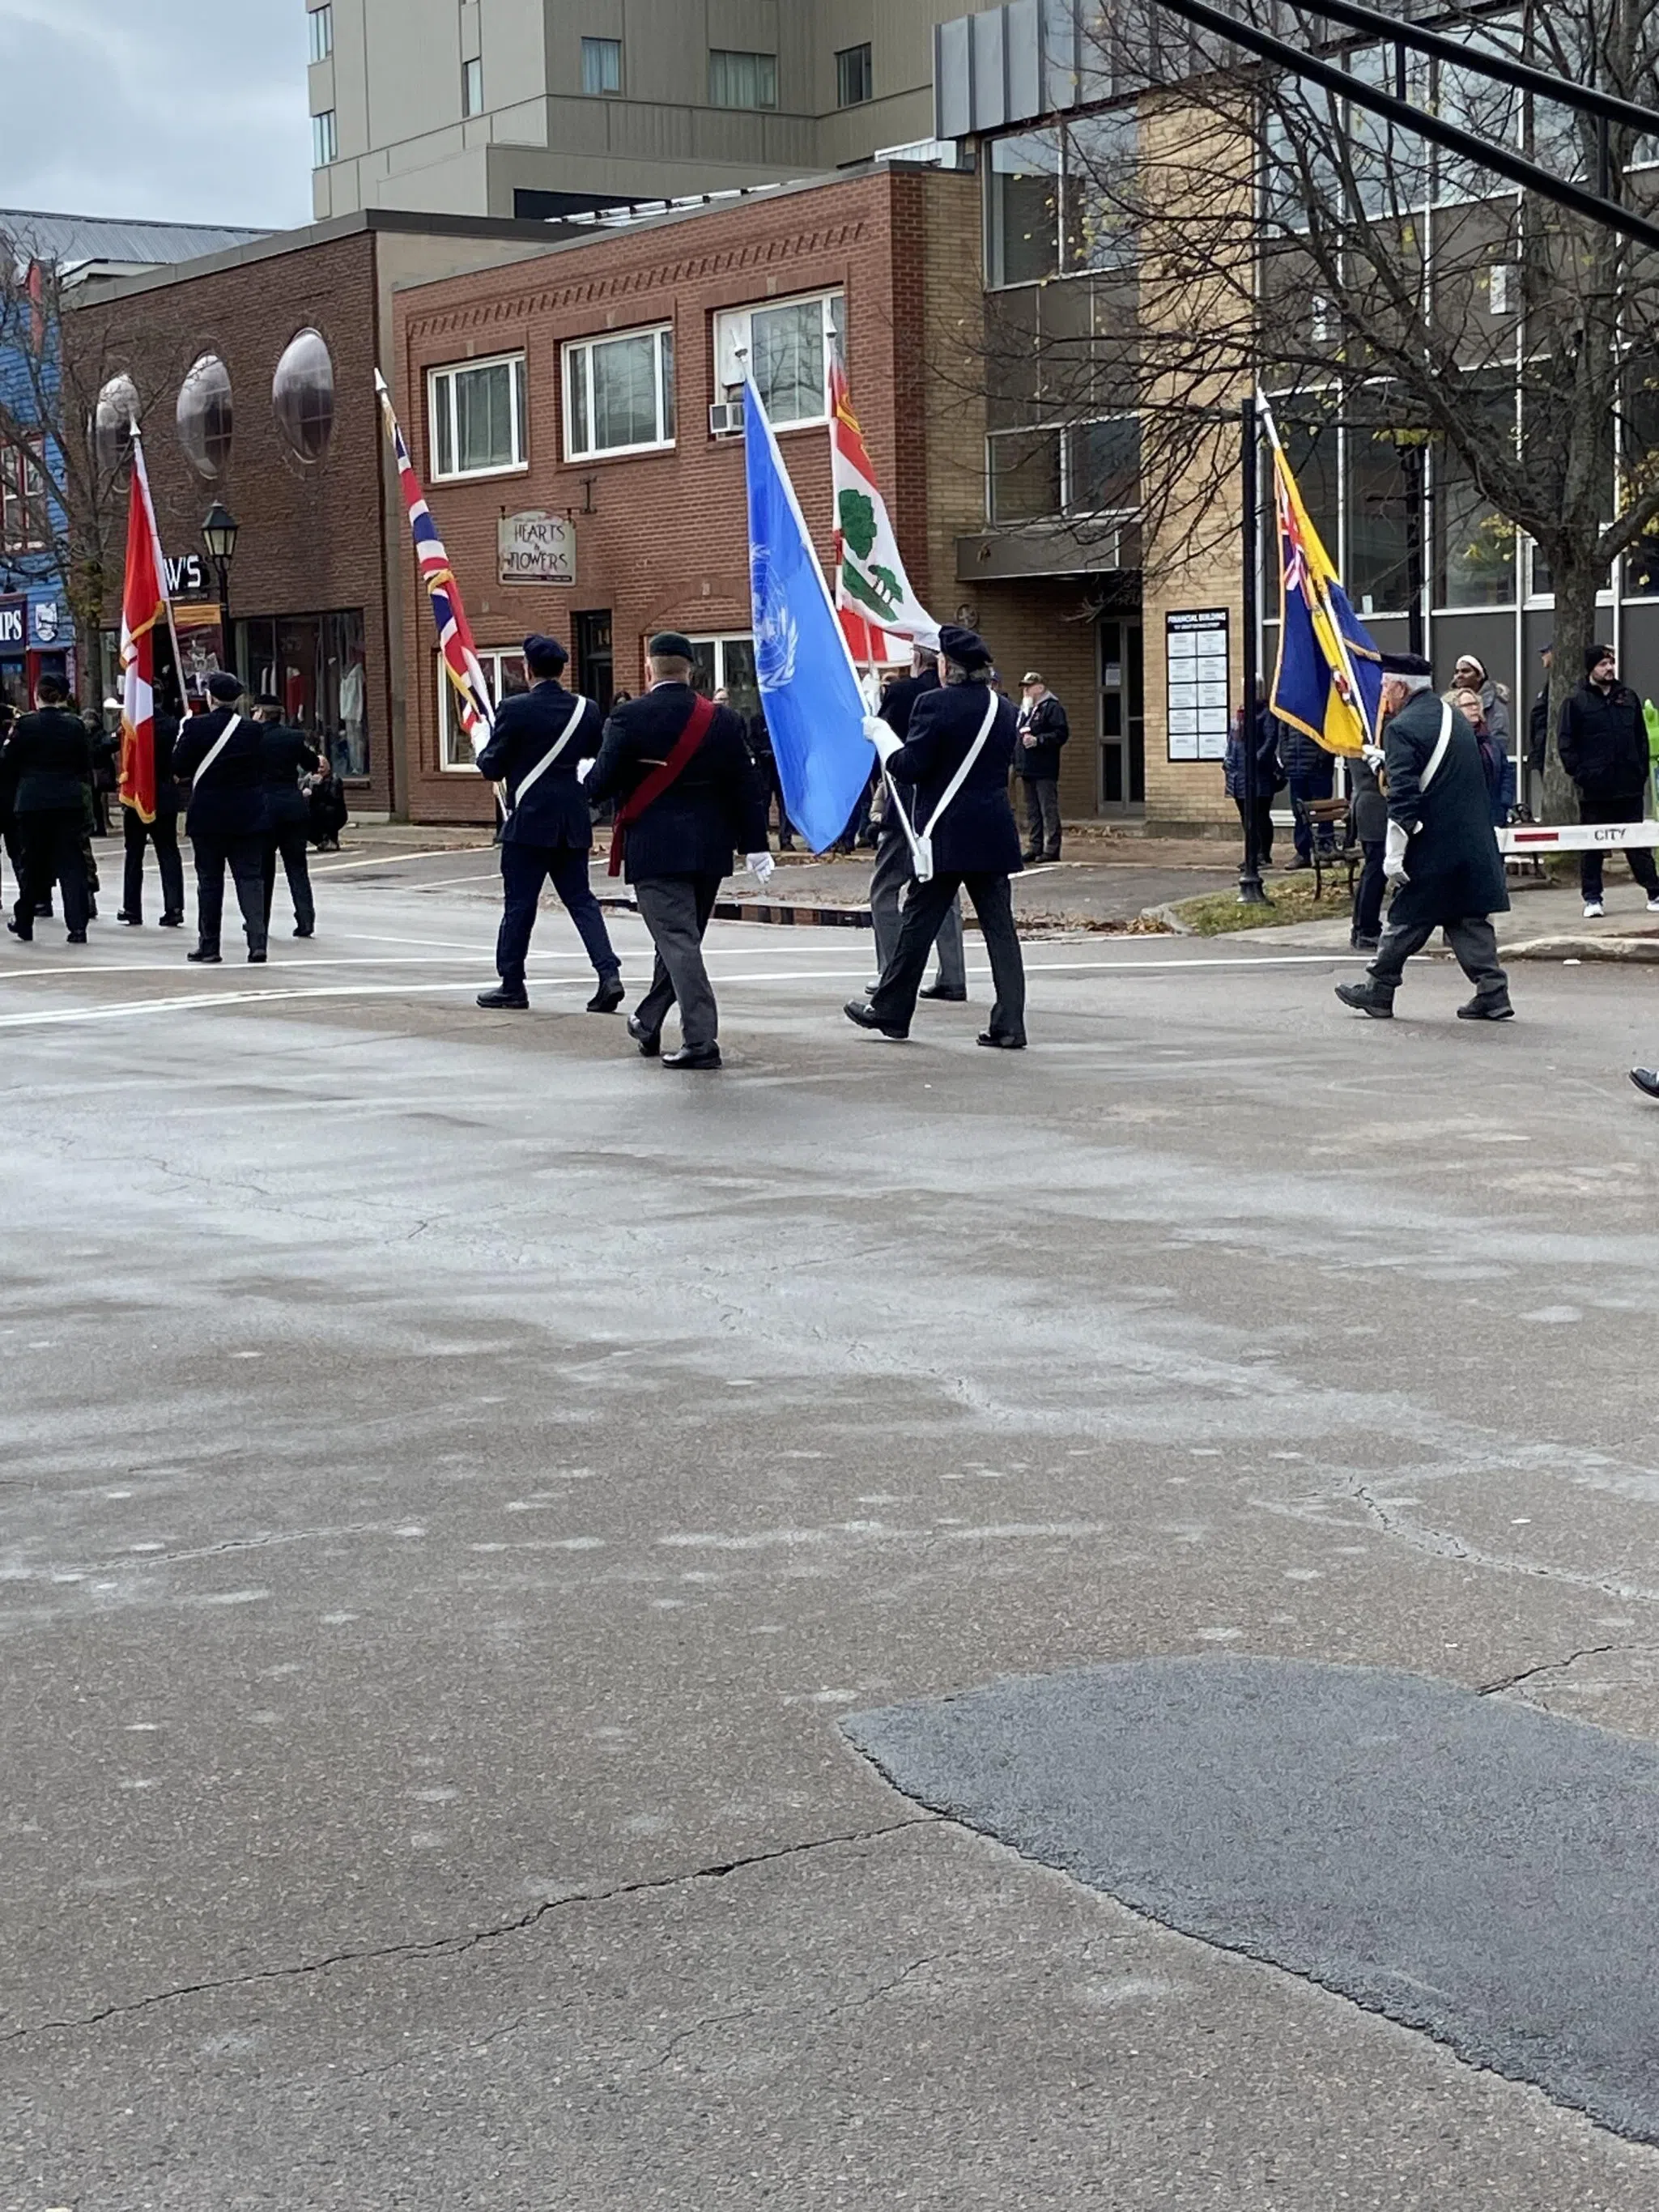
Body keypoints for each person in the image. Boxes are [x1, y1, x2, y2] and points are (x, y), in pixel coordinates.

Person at [585, 631, 768, 1069]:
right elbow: (747, 788)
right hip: (709, 849)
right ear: (691, 669)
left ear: (650, 668)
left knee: (678, 942)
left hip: (656, 847)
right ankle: (648, 1021)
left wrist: (585, 774)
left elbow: (602, 785)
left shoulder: (629, 718)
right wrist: (756, 846)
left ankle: (701, 1041)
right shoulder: (723, 721)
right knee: (677, 941)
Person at [845, 623, 1027, 1049]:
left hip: (945, 834)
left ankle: (891, 1010)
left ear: (949, 667)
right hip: (993, 831)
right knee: (1001, 931)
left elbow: (910, 767)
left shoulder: (934, 704)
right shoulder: (1006, 709)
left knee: (917, 924)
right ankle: (1010, 1023)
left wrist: (882, 735)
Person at [1334, 652, 1512, 1022]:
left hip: (1433, 845)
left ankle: (1378, 989)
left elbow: (1404, 796)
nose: (1385, 695)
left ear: (1400, 687)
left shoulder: (1401, 728)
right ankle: (1493, 993)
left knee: (1407, 918)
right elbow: (1442, 772)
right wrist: (1386, 761)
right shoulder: (1454, 718)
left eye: (1386, 687)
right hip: (1471, 840)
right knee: (1468, 918)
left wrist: (1394, 854)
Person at [473, 632, 622, 1014]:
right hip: (571, 818)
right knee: (582, 901)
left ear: (528, 669)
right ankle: (608, 974)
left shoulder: (514, 708)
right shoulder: (585, 709)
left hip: (530, 822)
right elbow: (593, 756)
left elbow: (493, 766)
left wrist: (481, 743)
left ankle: (512, 984)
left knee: (520, 906)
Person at [866, 642, 968, 1003]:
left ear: (917, 660)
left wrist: (873, 716)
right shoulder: (962, 697)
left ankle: (891, 974)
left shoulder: (905, 693)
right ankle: (953, 973)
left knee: (884, 890)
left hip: (907, 804)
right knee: (944, 891)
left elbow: (889, 752)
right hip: (947, 806)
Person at [172, 669, 269, 963]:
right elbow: (262, 767)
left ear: (210, 697)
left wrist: (183, 735)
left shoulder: (195, 728)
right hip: (248, 814)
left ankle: (210, 945)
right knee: (251, 879)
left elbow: (178, 768)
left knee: (210, 881)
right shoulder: (253, 730)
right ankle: (257, 943)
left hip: (208, 816)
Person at [1558, 643, 1659, 921]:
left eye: (1611, 663)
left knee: (1638, 845)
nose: (1609, 668)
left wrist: (1639, 773)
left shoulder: (1628, 698)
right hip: (1595, 790)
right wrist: (1581, 775)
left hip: (1628, 787)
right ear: (1592, 668)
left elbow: (1640, 738)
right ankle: (1592, 898)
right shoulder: (1577, 702)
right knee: (1592, 846)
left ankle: (1654, 891)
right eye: (1603, 664)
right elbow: (1566, 744)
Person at [4, 674, 92, 943]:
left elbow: (8, 761)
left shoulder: (25, 725)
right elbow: (84, 763)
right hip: (68, 799)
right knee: (72, 863)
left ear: (37, 695)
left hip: (33, 802)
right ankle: (78, 926)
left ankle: (25, 919)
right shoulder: (75, 726)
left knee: (33, 863)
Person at [117, 683, 187, 928]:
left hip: (137, 793)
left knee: (134, 854)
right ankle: (174, 907)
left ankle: (132, 908)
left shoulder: (132, 724)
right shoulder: (172, 725)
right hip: (164, 792)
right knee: (168, 852)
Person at [254, 693, 321, 940]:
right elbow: (313, 763)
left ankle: (260, 921)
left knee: (264, 870)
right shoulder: (293, 738)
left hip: (263, 809)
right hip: (292, 807)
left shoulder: (253, 737)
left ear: (260, 713)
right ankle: (306, 919)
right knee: (297, 867)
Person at [1223, 681, 1284, 870]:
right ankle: (1251, 853)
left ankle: (1263, 855)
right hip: (1237, 775)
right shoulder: (1240, 714)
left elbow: (1271, 739)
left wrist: (1257, 759)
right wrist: (1227, 761)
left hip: (1259, 775)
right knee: (1246, 817)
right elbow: (1231, 740)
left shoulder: (1265, 714)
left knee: (1260, 816)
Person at [1015, 671, 1070, 862]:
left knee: (1048, 808)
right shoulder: (1027, 710)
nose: (1026, 691)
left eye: (1029, 687)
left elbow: (1061, 734)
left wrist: (1039, 740)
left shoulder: (1052, 708)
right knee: (1032, 810)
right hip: (1028, 766)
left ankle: (1052, 848)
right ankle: (1035, 845)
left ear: (1040, 687)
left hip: (1044, 767)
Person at [1347, 741, 1389, 951]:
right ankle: (1367, 929)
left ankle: (1363, 927)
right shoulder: (1363, 740)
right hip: (1374, 808)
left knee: (1373, 871)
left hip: (1372, 807)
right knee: (1376, 870)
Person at [1278, 721, 1336, 867]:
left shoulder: (1319, 706)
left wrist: (1321, 757)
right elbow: (1283, 735)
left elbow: (1330, 732)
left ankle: (1326, 850)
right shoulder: (1290, 710)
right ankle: (1302, 853)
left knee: (1323, 810)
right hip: (1296, 767)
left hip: (1318, 768)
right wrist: (1287, 757)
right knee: (1299, 812)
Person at [747, 704, 795, 851]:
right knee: (763, 804)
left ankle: (785, 839)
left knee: (784, 804)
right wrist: (762, 751)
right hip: (764, 768)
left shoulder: (784, 720)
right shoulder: (757, 720)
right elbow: (751, 740)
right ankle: (762, 840)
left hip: (781, 768)